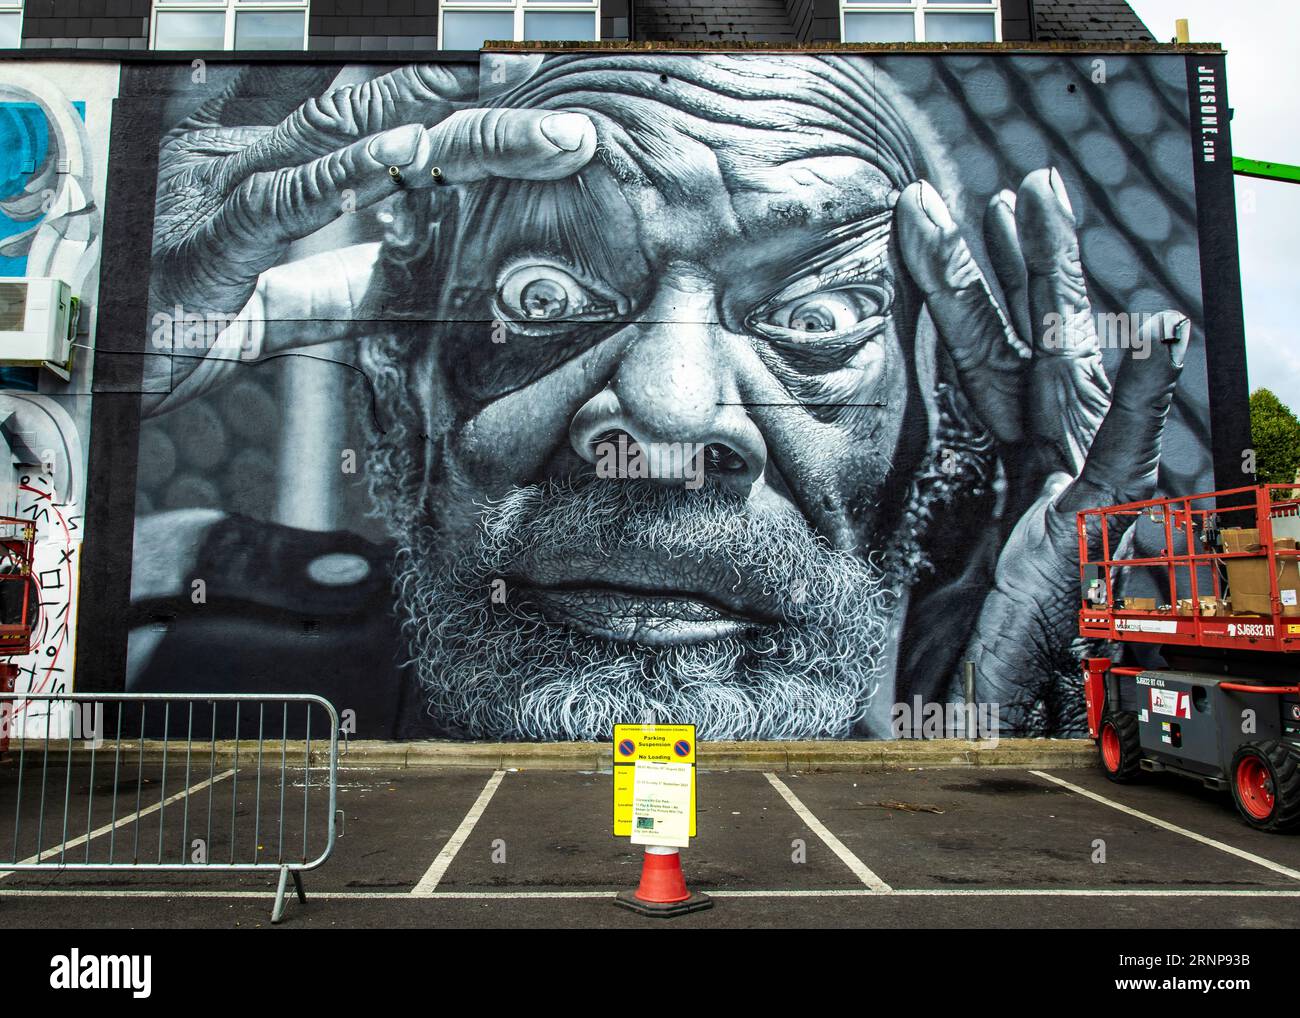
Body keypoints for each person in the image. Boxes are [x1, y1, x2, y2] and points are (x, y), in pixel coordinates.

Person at [138, 53, 1190, 740]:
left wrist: (1009, 751)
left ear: (938, 447)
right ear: (395, 386)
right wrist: (63, 388)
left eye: (816, 319)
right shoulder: (167, 650)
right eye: (541, 295)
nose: (670, 418)